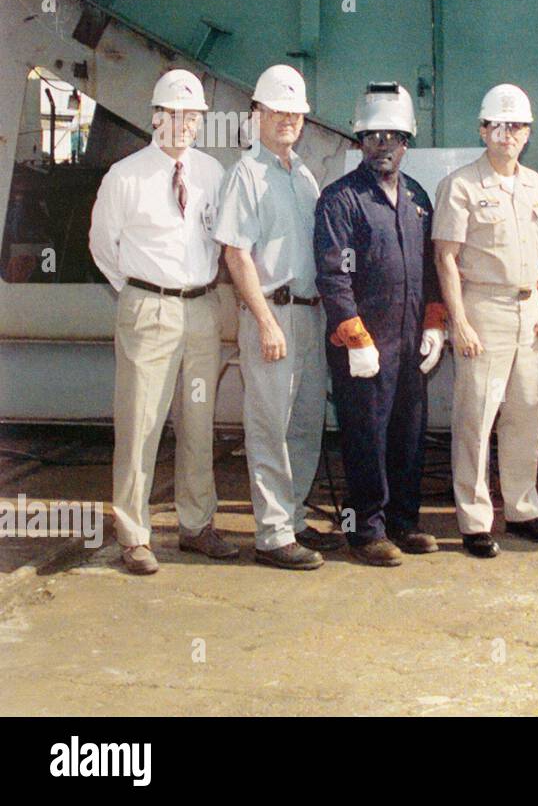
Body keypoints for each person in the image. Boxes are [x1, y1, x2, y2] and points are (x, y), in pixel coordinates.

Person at [88, 68, 237, 575]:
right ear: (156, 117)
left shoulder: (211, 174)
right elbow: (102, 246)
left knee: (198, 422)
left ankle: (197, 526)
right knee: (140, 422)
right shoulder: (125, 176)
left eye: (194, 116)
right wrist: (139, 292)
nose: (187, 124)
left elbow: (220, 240)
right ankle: (133, 534)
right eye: (177, 114)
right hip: (149, 309)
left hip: (201, 309)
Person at [214, 65, 342, 571]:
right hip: (274, 314)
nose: (287, 120)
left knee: (306, 423)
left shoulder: (304, 175)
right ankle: (271, 534)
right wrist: (265, 321)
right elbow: (236, 255)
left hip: (309, 314)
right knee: (269, 425)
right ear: (257, 115)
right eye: (277, 111)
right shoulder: (245, 175)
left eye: (295, 113)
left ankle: (293, 515)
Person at [314, 83, 447, 567]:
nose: (383, 145)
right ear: (358, 141)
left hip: (410, 338)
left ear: (407, 141)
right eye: (372, 136)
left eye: (392, 136)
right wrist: (355, 336)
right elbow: (333, 274)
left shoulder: (417, 198)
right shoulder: (340, 200)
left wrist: (435, 323)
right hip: (364, 344)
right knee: (365, 435)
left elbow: (432, 267)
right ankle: (366, 529)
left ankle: (403, 522)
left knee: (408, 432)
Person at [433, 83, 538, 558]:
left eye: (517, 126)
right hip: (483, 307)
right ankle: (474, 519)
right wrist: (459, 322)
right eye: (498, 126)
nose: (507, 134)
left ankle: (523, 509)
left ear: (528, 133)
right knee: (476, 418)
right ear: (483, 130)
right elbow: (446, 257)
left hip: (530, 311)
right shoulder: (462, 185)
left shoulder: (535, 185)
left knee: (526, 413)